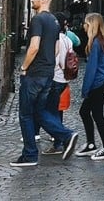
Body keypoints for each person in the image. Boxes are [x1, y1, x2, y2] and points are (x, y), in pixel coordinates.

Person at [9, 0, 79, 167]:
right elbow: (55, 49)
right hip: (48, 74)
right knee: (40, 112)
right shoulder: (55, 22)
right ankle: (65, 135)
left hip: (34, 74)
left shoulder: (38, 19)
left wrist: (24, 67)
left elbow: (33, 47)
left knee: (25, 114)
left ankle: (30, 155)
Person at [75, 12, 104, 159]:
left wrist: (86, 89)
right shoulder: (103, 40)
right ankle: (92, 143)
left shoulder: (95, 43)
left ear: (91, 25)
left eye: (86, 23)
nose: (84, 26)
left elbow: (92, 69)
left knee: (96, 114)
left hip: (98, 82)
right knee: (85, 111)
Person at [35, 12, 74, 148]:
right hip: (64, 80)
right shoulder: (68, 40)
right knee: (57, 110)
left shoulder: (54, 39)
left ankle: (61, 139)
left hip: (55, 78)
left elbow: (55, 60)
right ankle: (59, 137)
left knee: (48, 109)